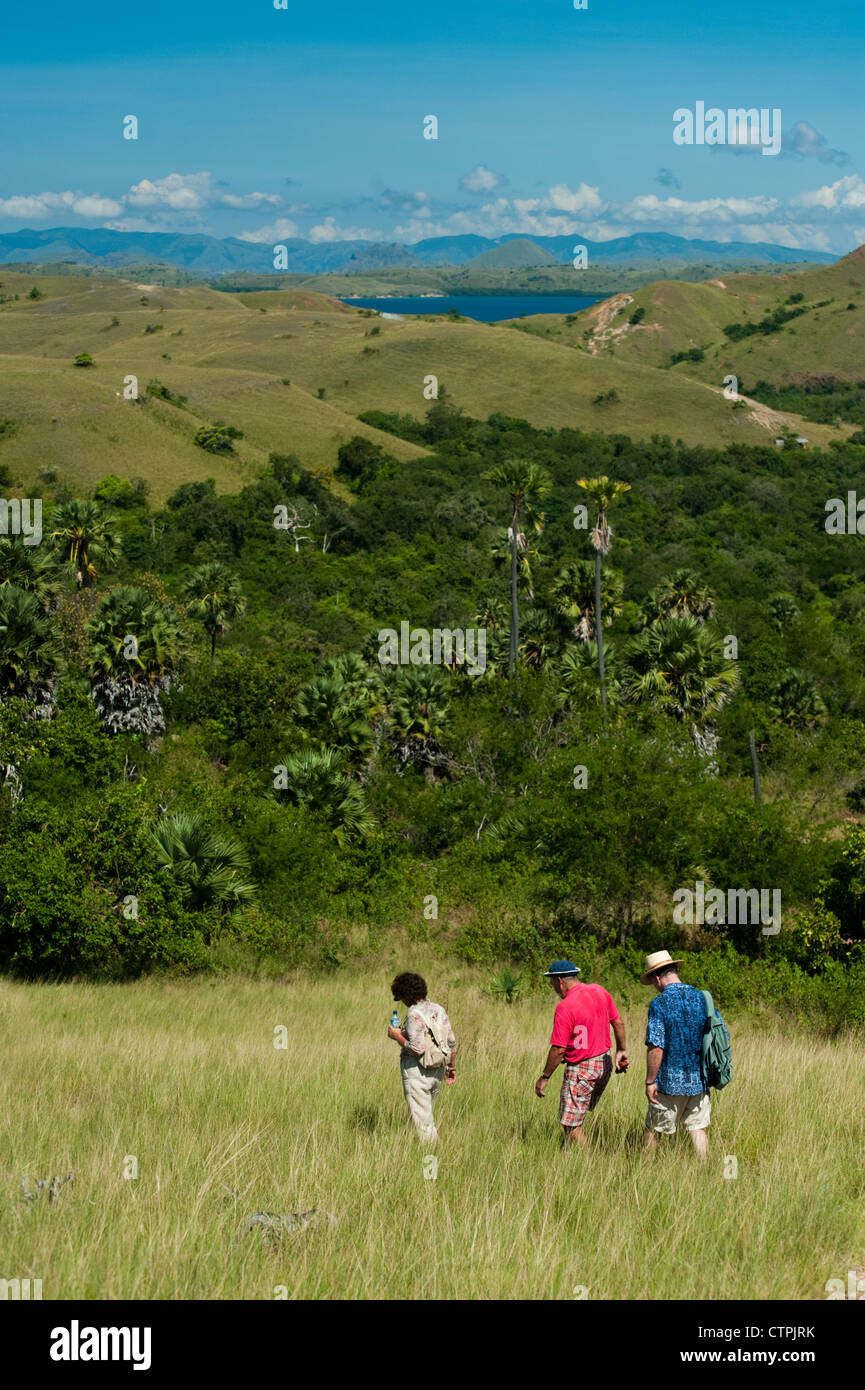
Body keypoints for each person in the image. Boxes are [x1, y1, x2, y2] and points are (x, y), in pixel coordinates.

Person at [641, 950, 728, 1161]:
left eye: (653, 982)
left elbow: (657, 1046)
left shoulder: (659, 1004)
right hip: (700, 1079)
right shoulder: (702, 998)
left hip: (669, 1082)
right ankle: (706, 1168)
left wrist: (650, 1080)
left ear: (657, 977)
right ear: (675, 971)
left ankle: (642, 1170)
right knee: (697, 1128)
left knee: (654, 1129)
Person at [534, 959, 628, 1147]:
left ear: (559, 981)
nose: (553, 988)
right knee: (577, 1114)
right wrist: (622, 1050)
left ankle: (588, 1163)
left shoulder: (565, 1006)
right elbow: (618, 1023)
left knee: (570, 1125)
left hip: (582, 1069)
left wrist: (544, 1077)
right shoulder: (599, 991)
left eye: (552, 983)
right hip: (605, 1063)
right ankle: (567, 1153)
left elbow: (559, 1049)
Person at [387, 972, 456, 1143]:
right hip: (438, 1071)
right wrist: (451, 1067)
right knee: (420, 1117)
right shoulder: (438, 1009)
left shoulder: (414, 1014)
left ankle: (433, 1162)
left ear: (405, 994)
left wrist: (397, 1036)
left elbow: (418, 1048)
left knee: (424, 1126)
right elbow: (452, 1042)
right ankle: (412, 1151)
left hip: (418, 1074)